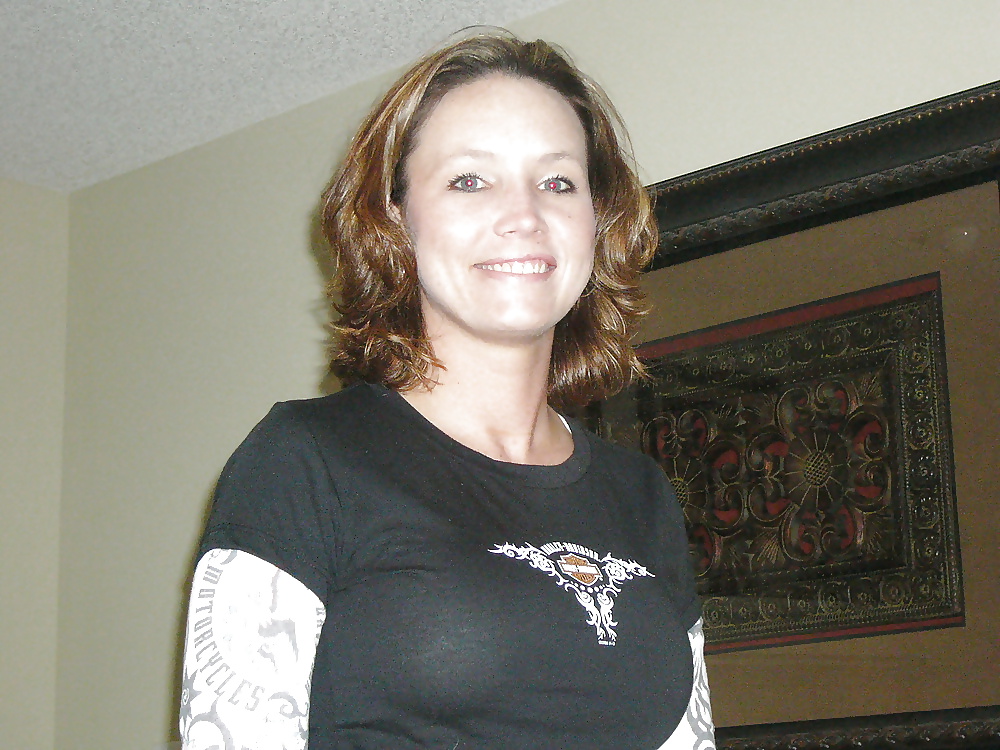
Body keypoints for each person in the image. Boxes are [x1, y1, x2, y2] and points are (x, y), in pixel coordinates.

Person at [179, 29, 714, 750]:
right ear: (396, 219)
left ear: (598, 220)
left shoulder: (641, 494)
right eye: (470, 180)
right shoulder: (304, 460)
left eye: (558, 182)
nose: (524, 216)